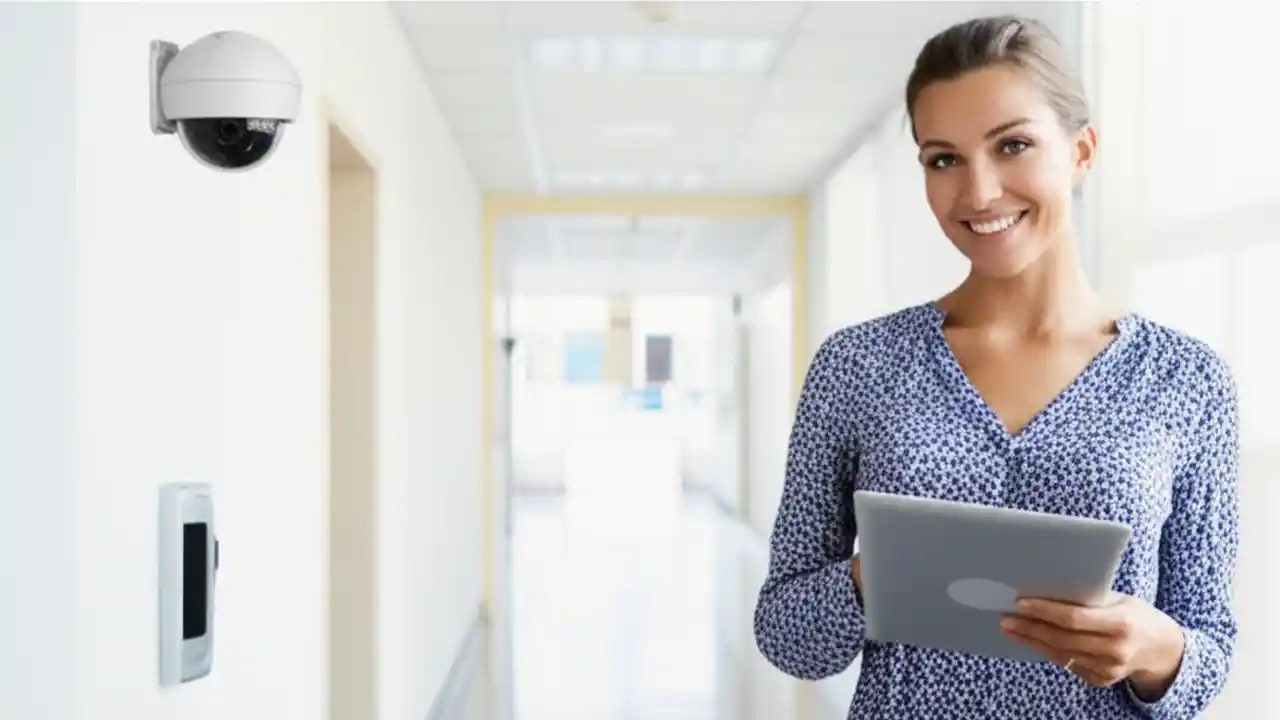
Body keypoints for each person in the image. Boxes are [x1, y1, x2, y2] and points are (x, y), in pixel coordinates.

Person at [752, 14, 1239, 720]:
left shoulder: (1186, 381)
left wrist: (1154, 649)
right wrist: (877, 574)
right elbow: (788, 636)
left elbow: (1210, 646)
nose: (978, 193)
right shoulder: (857, 366)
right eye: (943, 159)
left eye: (1013, 146)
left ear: (1081, 152)